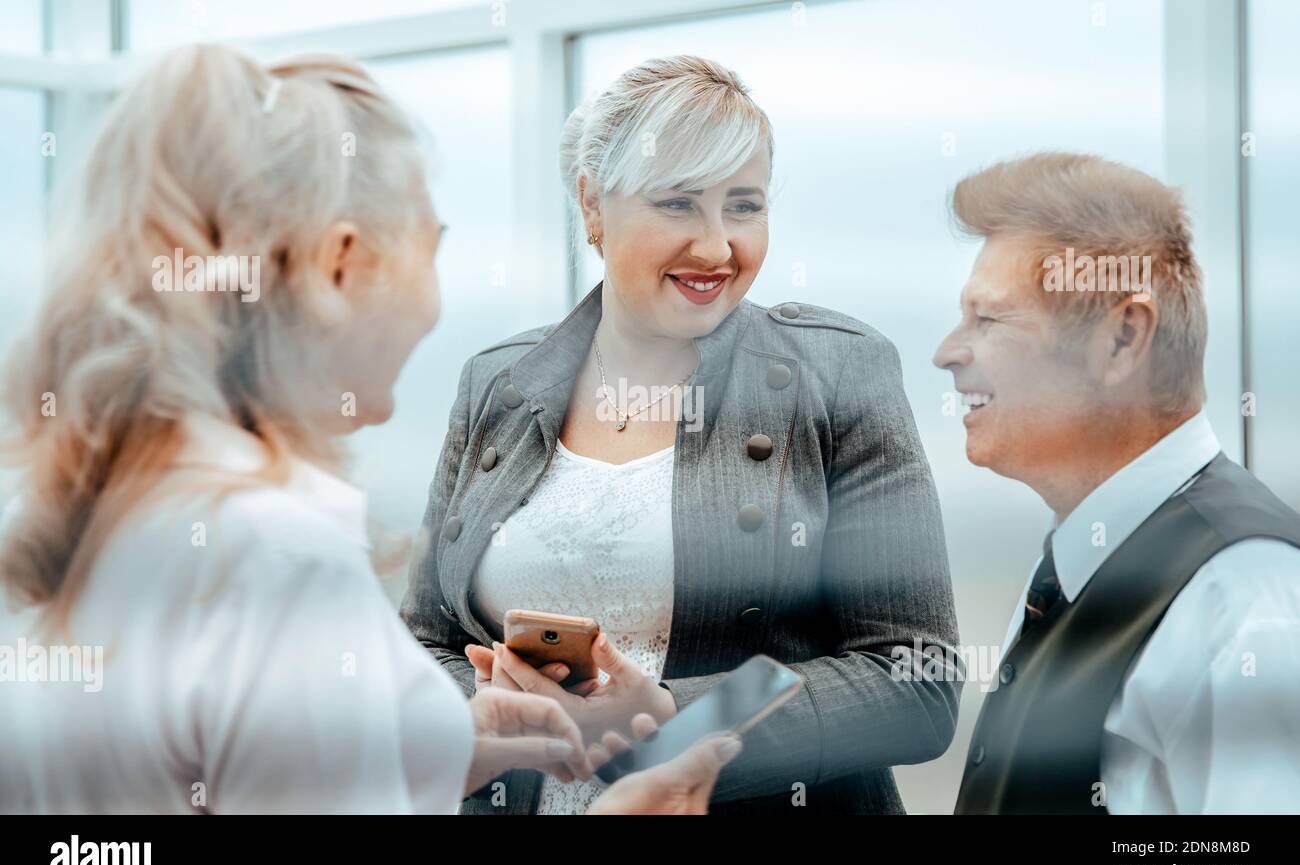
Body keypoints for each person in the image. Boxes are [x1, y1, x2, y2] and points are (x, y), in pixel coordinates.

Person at [0, 44, 734, 815]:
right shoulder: (277, 552)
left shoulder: (107, 508)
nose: (436, 299)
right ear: (340, 265)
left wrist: (429, 748)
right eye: (431, 246)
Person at [401, 55, 962, 815]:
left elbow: (914, 677)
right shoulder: (498, 383)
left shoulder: (839, 370)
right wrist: (496, 707)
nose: (716, 248)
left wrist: (671, 715)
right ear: (593, 205)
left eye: (744, 205)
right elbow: (427, 641)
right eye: (677, 204)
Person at [932, 152, 1300, 814]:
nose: (948, 351)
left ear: (1123, 339)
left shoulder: (1245, 600)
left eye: (987, 319)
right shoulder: (1078, 560)